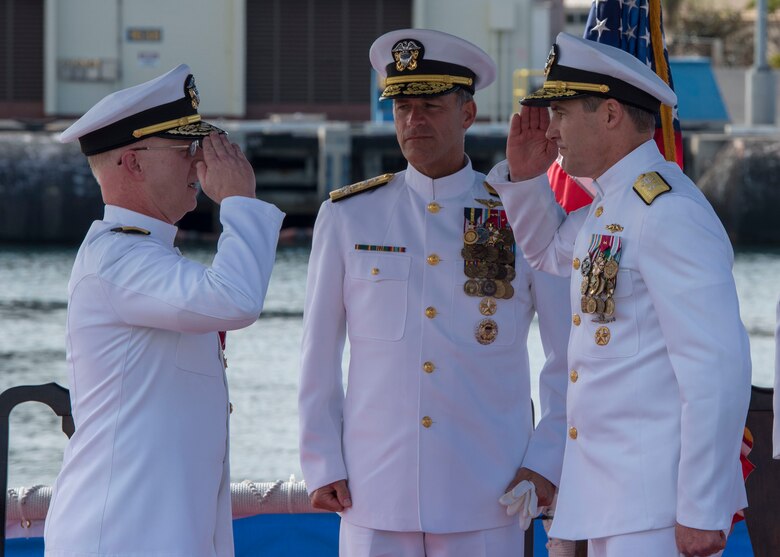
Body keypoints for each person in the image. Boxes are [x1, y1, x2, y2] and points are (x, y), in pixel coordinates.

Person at [297, 28, 571, 557]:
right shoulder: (348, 216)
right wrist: (322, 460)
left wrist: (547, 461)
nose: (413, 120)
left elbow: (567, 354)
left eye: (430, 105)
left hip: (489, 492)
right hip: (374, 490)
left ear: (467, 115)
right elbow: (318, 354)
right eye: (402, 107)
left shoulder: (522, 213)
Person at [485, 33, 751, 557]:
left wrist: (700, 508)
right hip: (612, 505)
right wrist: (524, 178)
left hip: (659, 512)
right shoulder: (612, 207)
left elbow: (715, 368)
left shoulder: (668, 212)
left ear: (609, 114)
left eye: (560, 112)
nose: (552, 128)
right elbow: (547, 253)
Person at [44, 64, 284, 557]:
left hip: (157, 532)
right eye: (185, 150)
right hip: (119, 536)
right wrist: (239, 201)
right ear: (132, 163)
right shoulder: (116, 259)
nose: (199, 164)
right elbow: (235, 298)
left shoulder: (145, 256)